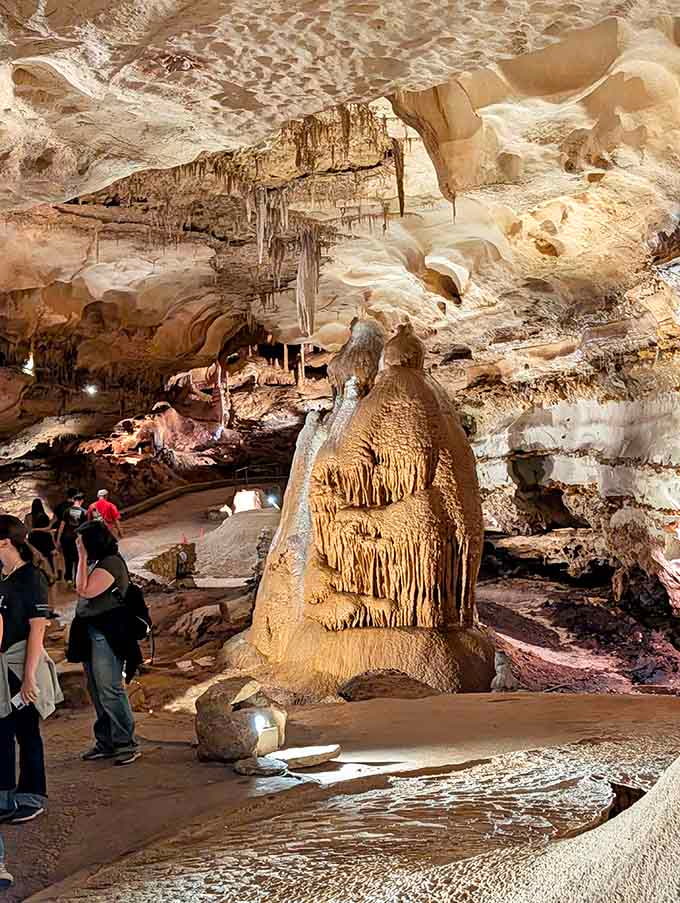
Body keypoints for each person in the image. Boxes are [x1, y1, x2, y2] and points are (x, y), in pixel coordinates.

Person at [0, 516, 62, 824]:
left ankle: (32, 795)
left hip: (19, 660)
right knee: (3, 732)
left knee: (26, 731)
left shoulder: (31, 578)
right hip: (2, 664)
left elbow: (37, 629)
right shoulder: (4, 576)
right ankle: (6, 796)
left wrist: (28, 677)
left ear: (4, 542)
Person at [67, 521, 140, 766]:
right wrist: (83, 558)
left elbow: (84, 590)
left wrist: (81, 554)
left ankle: (125, 743)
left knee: (109, 687)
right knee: (96, 690)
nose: (77, 544)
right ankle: (106, 741)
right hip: (89, 630)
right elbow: (79, 586)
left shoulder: (111, 563)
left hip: (107, 631)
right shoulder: (93, 562)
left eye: (80, 540)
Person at [56, 492, 87, 586]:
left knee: (67, 559)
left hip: (66, 538)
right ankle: (76, 581)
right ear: (82, 501)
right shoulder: (84, 512)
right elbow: (84, 528)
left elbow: (62, 526)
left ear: (74, 500)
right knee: (78, 559)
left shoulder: (67, 511)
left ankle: (68, 578)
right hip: (77, 539)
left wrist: (58, 539)